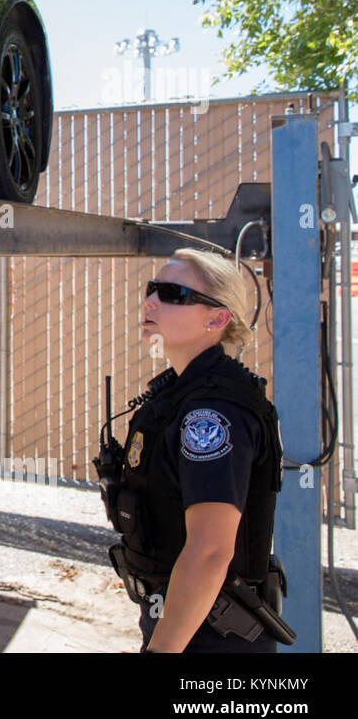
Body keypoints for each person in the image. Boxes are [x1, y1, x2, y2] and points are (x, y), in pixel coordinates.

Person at [98, 247, 290, 653]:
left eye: (172, 293)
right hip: (186, 621)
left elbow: (209, 552)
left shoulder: (212, 412)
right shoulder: (179, 395)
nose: (150, 301)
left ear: (217, 319)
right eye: (153, 289)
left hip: (211, 635)